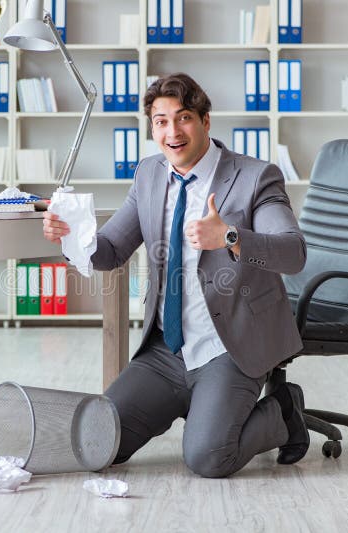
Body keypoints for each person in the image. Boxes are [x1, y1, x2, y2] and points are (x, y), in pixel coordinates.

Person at [42, 73, 310, 478]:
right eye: (161, 121)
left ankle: (283, 414)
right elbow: (111, 250)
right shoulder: (149, 174)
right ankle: (200, 405)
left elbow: (294, 252)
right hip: (165, 353)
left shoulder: (255, 176)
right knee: (99, 444)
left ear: (205, 121)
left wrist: (230, 236)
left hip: (229, 347)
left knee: (208, 458)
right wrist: (72, 238)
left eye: (183, 118)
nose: (172, 132)